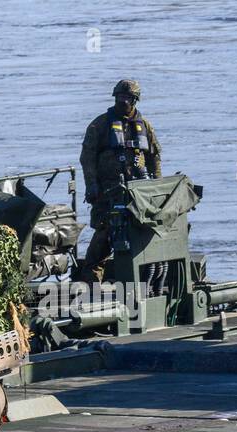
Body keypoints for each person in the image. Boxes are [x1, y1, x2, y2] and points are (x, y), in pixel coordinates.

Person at [78, 79, 162, 282]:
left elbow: (154, 156)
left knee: (141, 243)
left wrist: (157, 188)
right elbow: (87, 157)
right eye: (120, 97)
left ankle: (140, 287)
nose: (123, 101)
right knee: (101, 243)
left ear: (135, 100)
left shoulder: (145, 126)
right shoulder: (100, 124)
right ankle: (91, 288)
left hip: (138, 196)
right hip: (108, 194)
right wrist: (92, 185)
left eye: (128, 98)